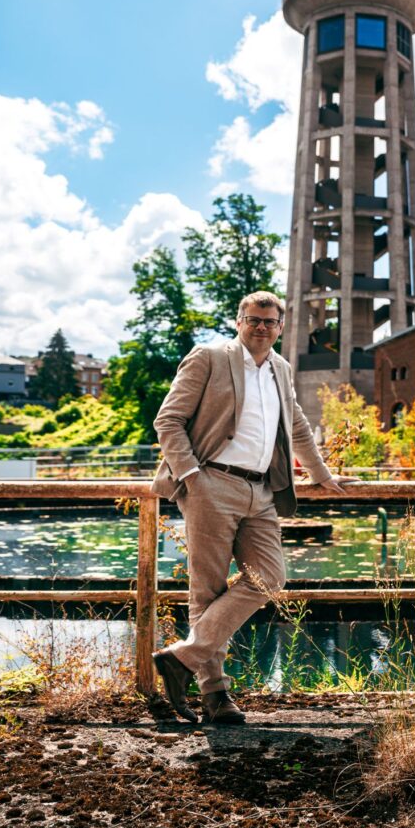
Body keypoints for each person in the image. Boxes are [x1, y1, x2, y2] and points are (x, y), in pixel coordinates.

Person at [150, 290, 351, 724]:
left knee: (269, 577)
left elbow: (296, 424)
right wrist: (190, 476)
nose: (261, 327)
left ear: (281, 328)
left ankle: (181, 658)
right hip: (211, 484)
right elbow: (168, 419)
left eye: (270, 321)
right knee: (207, 591)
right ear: (239, 322)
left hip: (262, 493)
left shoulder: (281, 368)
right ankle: (215, 695)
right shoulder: (209, 357)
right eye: (253, 319)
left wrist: (322, 475)